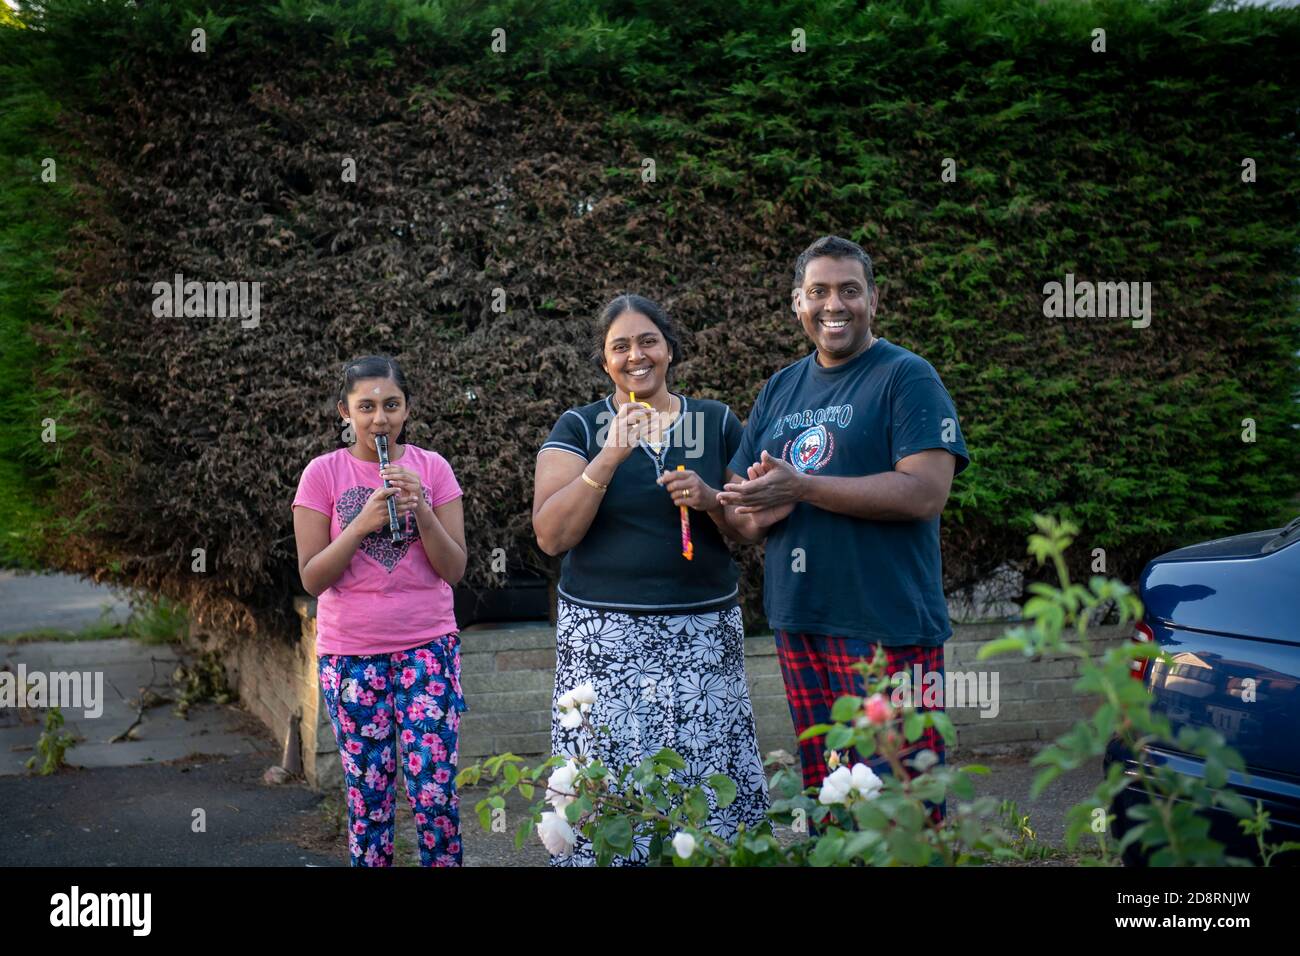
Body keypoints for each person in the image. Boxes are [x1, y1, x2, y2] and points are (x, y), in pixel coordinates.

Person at [716, 236, 970, 818]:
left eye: (849, 291)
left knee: (900, 803)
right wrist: (729, 505)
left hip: (887, 626)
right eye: (819, 292)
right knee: (830, 802)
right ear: (797, 305)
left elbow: (926, 491)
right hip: (800, 619)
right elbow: (743, 515)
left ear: (873, 301)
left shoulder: (907, 377)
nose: (835, 304)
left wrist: (802, 487)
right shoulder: (781, 387)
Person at [532, 294, 769, 865]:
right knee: (612, 773)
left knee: (704, 773)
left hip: (703, 639)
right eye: (620, 347)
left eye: (648, 342)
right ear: (604, 360)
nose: (636, 356)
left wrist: (712, 499)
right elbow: (551, 536)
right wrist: (609, 455)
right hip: (604, 642)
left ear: (669, 350)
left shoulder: (713, 421)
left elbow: (749, 526)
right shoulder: (580, 426)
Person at [292, 355, 468, 866]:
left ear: (407, 408)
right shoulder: (323, 474)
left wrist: (425, 513)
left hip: (428, 647)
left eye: (391, 405)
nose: (379, 419)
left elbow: (454, 569)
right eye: (365, 407)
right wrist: (360, 524)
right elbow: (313, 576)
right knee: (369, 802)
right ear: (344, 412)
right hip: (351, 655)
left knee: (435, 797)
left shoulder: (433, 468)